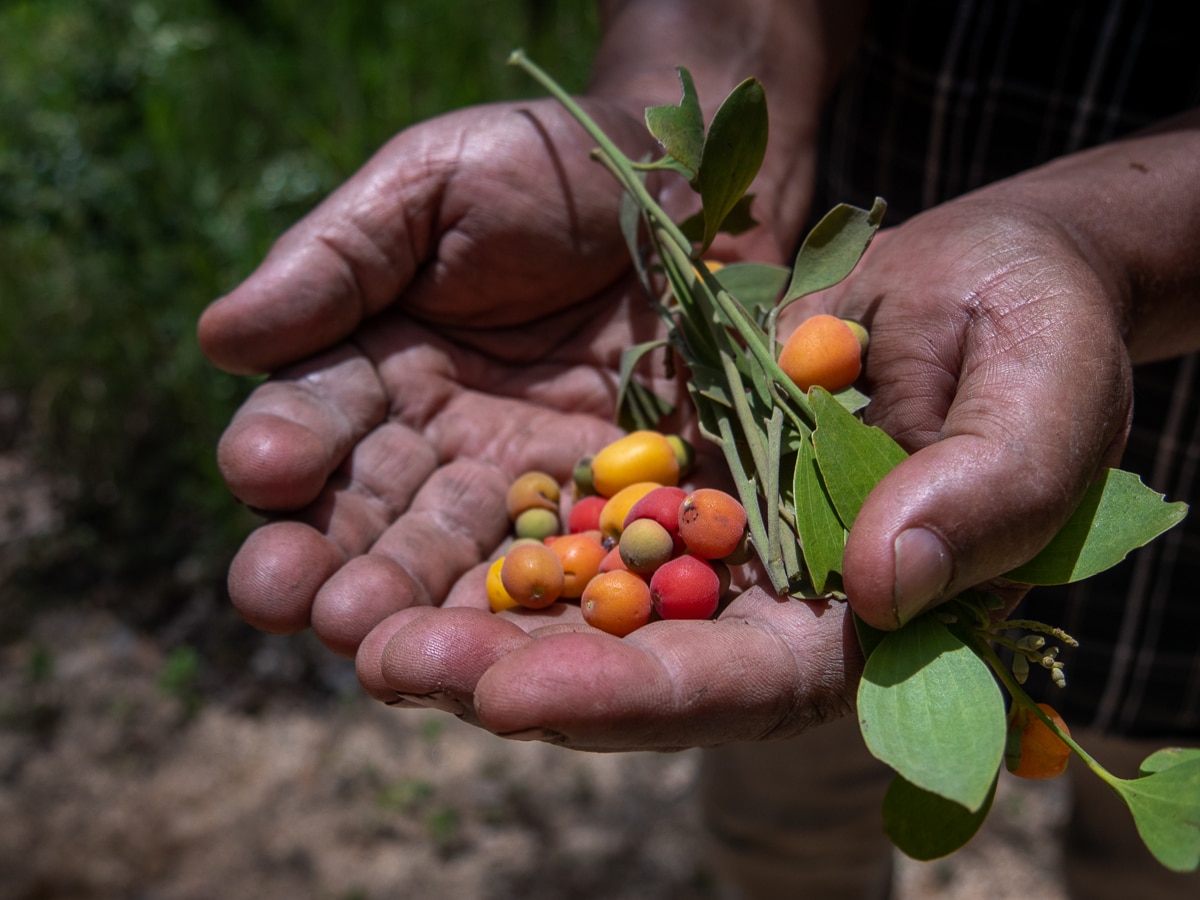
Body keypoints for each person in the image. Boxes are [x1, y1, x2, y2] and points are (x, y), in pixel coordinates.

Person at [197, 1, 1200, 896]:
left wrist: (1105, 244)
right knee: (785, 825)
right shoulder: (725, 486)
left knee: (1139, 856)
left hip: (1174, 475)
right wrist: (672, 94)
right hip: (841, 471)